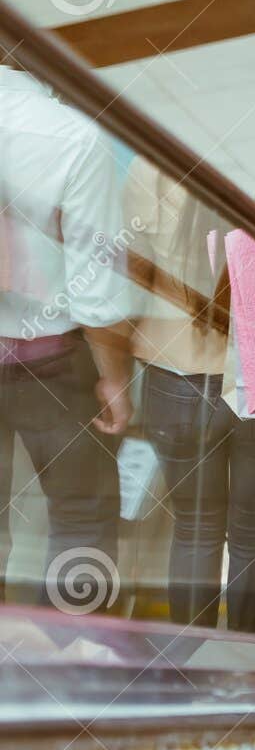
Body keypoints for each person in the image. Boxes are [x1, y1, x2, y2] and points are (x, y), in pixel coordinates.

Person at [123, 158, 255, 634]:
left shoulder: (153, 159)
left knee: (195, 530)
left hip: (175, 370)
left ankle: (190, 665)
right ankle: (247, 665)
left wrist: (182, 300)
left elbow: (131, 261)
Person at [0, 56, 132, 612]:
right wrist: (116, 379)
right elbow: (96, 287)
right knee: (80, 519)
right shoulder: (76, 138)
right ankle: (74, 667)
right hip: (51, 364)